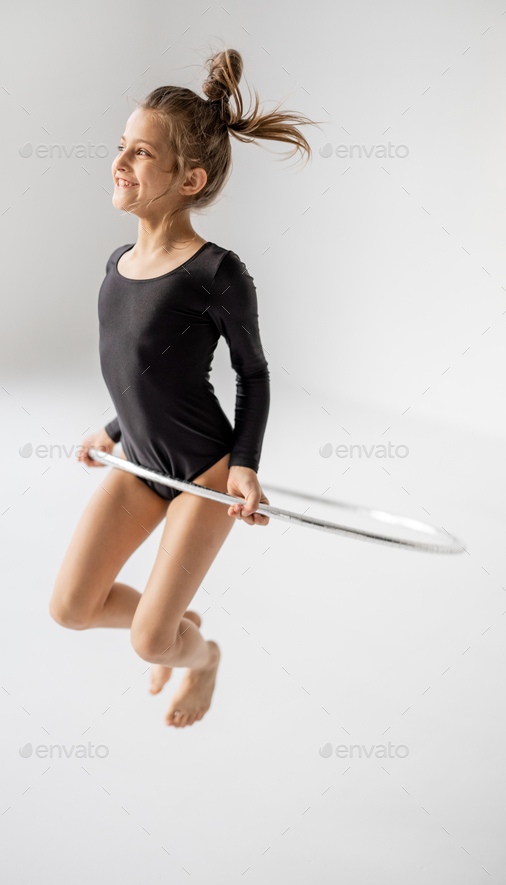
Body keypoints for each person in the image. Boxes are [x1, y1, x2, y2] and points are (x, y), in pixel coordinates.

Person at [49, 48, 317, 728]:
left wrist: (247, 469)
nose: (120, 161)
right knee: (71, 609)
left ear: (190, 177)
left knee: (150, 642)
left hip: (203, 468)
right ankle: (174, 623)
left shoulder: (216, 272)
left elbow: (251, 373)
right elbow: (142, 373)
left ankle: (202, 656)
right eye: (121, 146)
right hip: (139, 459)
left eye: (142, 153)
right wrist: (110, 430)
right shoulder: (117, 264)